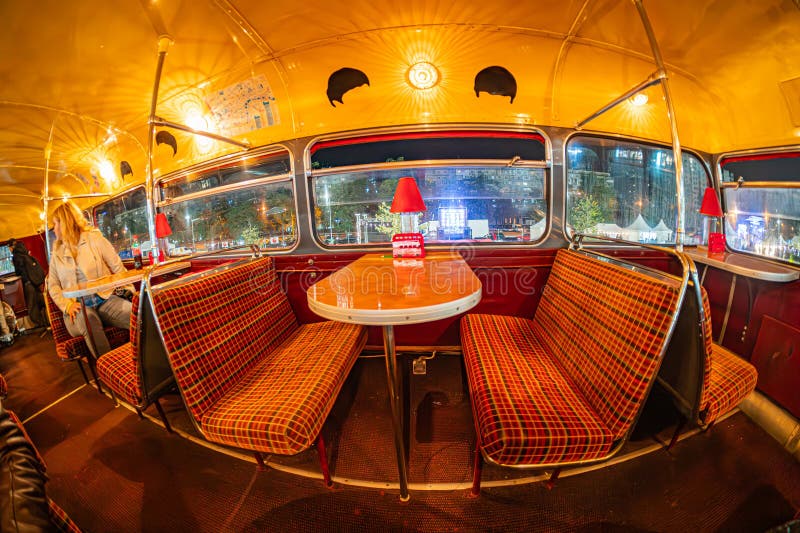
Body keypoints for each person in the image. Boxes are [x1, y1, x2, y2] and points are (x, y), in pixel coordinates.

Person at [48, 201, 133, 358]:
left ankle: (148, 359)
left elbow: (117, 267)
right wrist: (66, 306)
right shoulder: (56, 254)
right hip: (76, 308)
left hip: (104, 298)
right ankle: (108, 368)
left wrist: (129, 291)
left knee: (135, 314)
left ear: (66, 222)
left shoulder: (95, 238)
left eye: (55, 223)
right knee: (89, 320)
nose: (53, 228)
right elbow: (52, 286)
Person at [9, 239, 49, 328]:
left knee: (32, 308)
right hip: (35, 282)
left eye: (9, 248)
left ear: (12, 247)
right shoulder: (24, 252)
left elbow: (19, 272)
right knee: (41, 302)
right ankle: (48, 322)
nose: (9, 250)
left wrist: (14, 265)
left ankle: (42, 325)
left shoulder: (16, 256)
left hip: (28, 284)